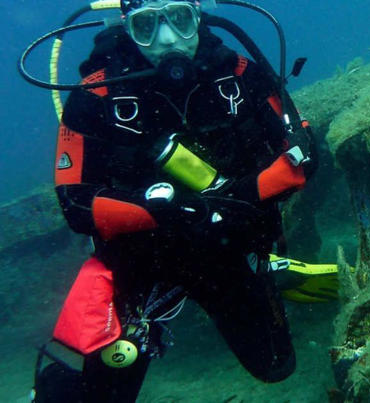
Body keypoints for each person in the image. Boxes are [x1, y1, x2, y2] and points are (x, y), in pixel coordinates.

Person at [32, 0, 317, 401]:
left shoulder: (240, 73)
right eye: (147, 25)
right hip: (141, 265)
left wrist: (233, 200)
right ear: (127, 26)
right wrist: (160, 212)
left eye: (180, 19)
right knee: (97, 395)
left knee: (276, 365)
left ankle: (270, 274)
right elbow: (75, 203)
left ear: (199, 16)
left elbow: (302, 155)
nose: (166, 40)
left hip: (227, 248)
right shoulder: (94, 96)